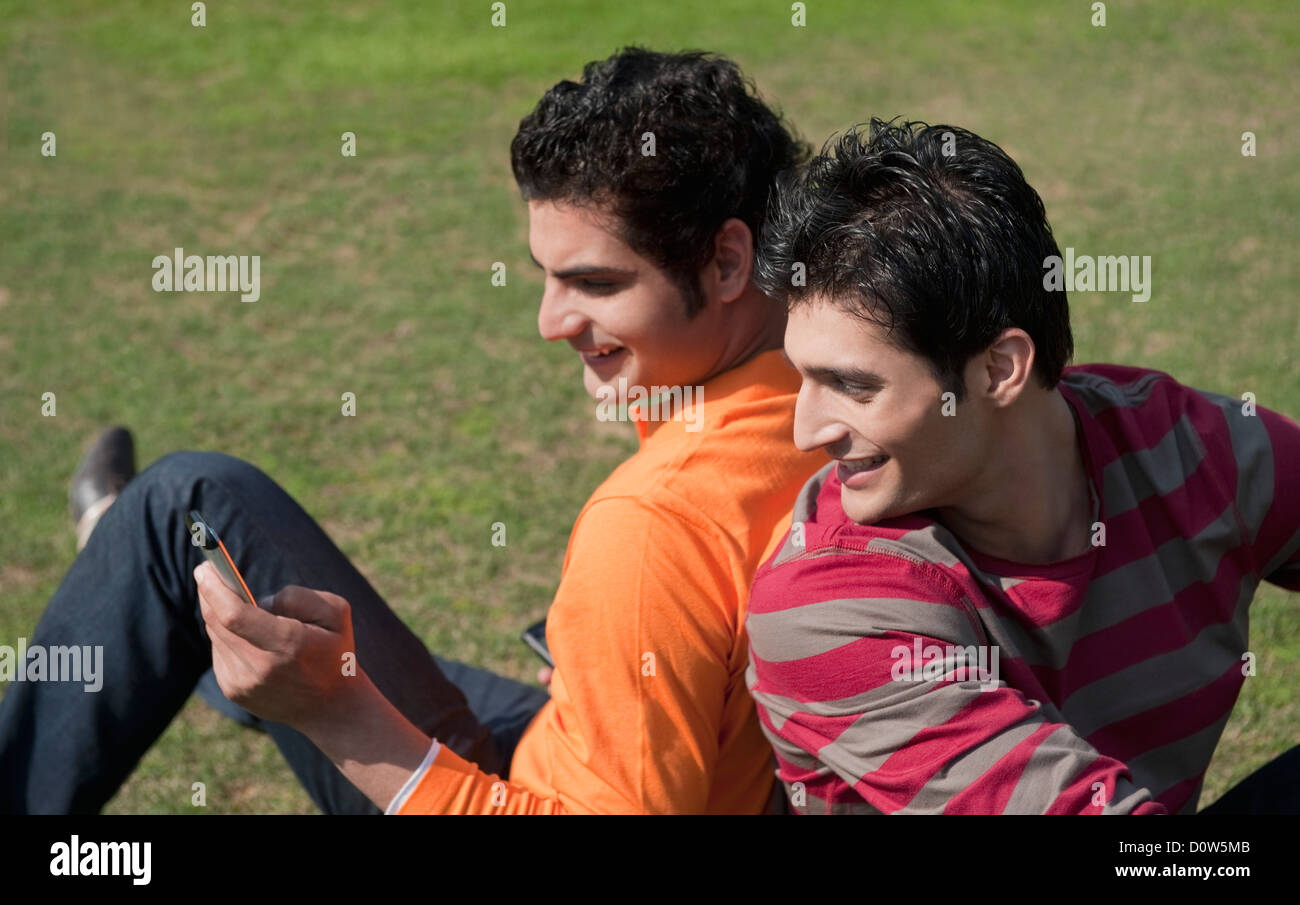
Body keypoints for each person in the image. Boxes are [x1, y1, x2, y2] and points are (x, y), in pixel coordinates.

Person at [0, 47, 823, 814]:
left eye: (595, 282)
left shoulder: (652, 528)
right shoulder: (845, 384)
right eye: (547, 276)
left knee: (185, 505)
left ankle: (138, 567)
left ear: (725, 262)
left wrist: (341, 711)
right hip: (602, 745)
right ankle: (150, 579)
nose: (549, 321)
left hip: (507, 789)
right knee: (232, 585)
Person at [743, 118, 1300, 815]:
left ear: (1000, 370)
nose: (806, 430)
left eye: (853, 386)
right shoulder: (826, 607)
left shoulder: (1184, 449)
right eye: (803, 376)